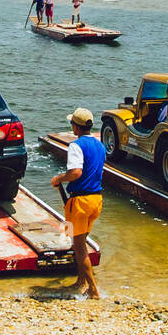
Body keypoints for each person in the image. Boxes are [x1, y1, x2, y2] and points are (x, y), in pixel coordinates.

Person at [50, 108, 104, 299]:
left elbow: (76, 173)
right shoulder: (100, 145)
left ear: (76, 126)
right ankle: (81, 281)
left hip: (80, 201)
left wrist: (59, 179)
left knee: (79, 246)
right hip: (96, 199)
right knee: (82, 241)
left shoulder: (76, 146)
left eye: (72, 123)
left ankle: (93, 290)